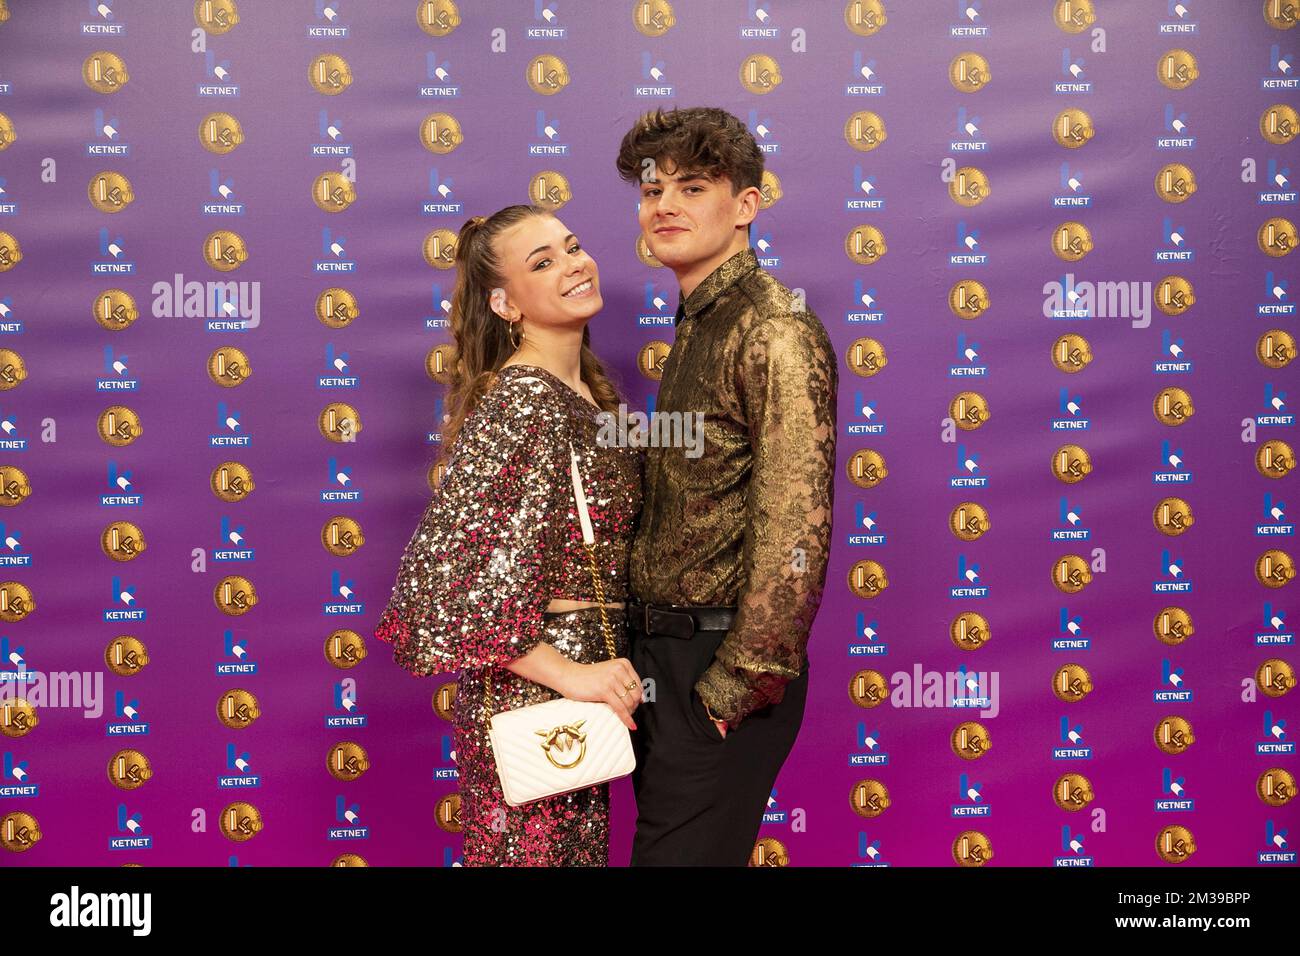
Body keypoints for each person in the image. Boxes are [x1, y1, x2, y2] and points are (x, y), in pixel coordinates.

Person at [374, 204, 645, 866]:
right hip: (534, 695)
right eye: (543, 262)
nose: (574, 265)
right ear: (505, 304)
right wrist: (567, 673)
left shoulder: (585, 393)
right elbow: (439, 588)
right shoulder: (522, 400)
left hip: (584, 688)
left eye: (573, 246)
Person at [615, 106, 838, 865]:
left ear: (746, 204)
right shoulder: (701, 321)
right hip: (661, 661)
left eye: (692, 187)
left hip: (717, 665)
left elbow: (796, 526)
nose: (665, 205)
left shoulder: (774, 329)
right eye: (653, 191)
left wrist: (737, 686)